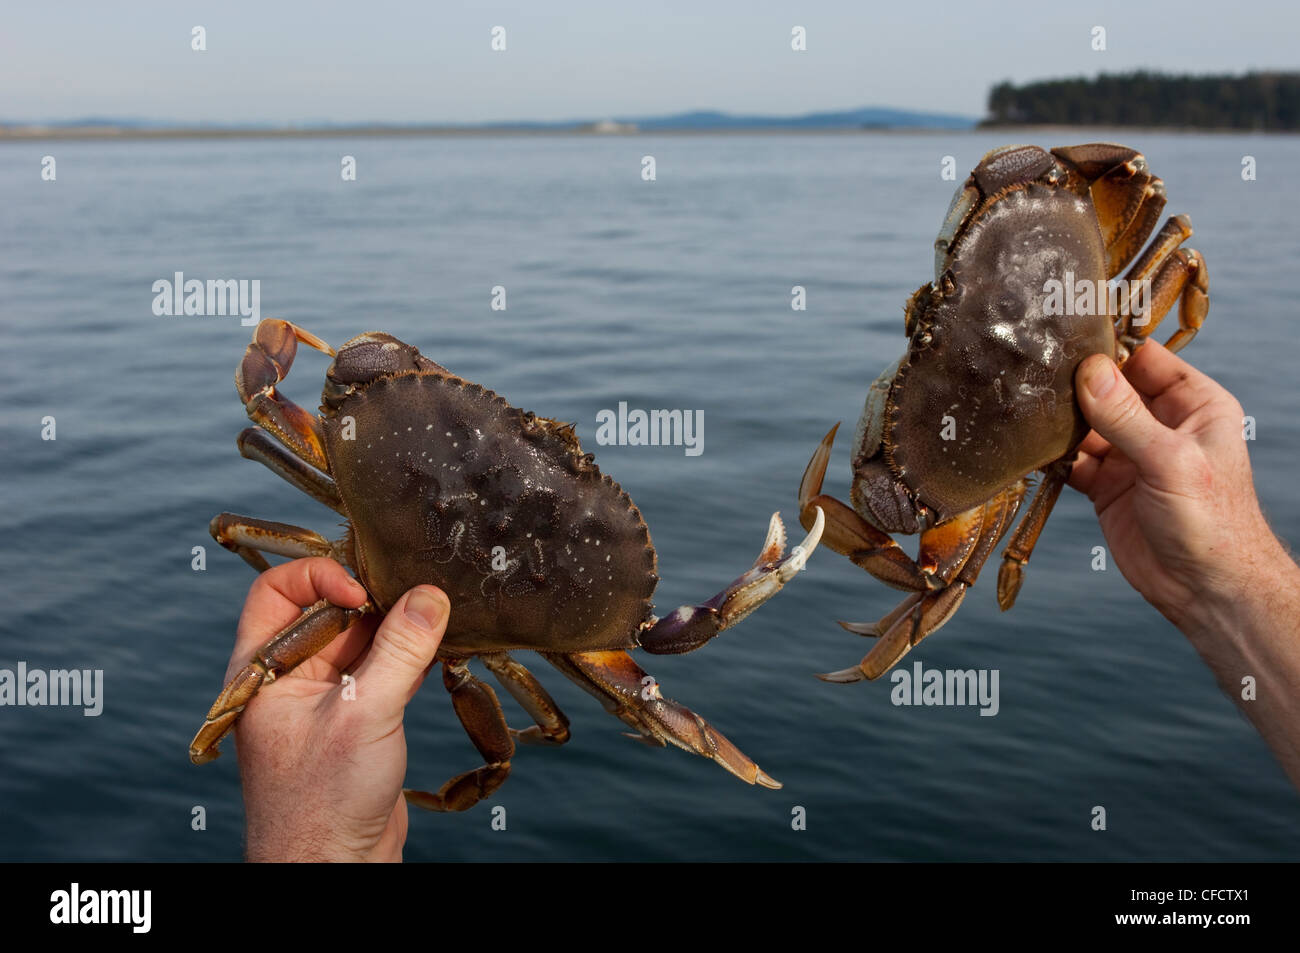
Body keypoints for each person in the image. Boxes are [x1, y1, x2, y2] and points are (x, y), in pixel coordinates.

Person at [223, 341, 1300, 861]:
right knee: (617, 706)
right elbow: (659, 665)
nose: (545, 454)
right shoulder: (592, 626)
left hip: (369, 658)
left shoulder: (357, 449)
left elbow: (265, 400)